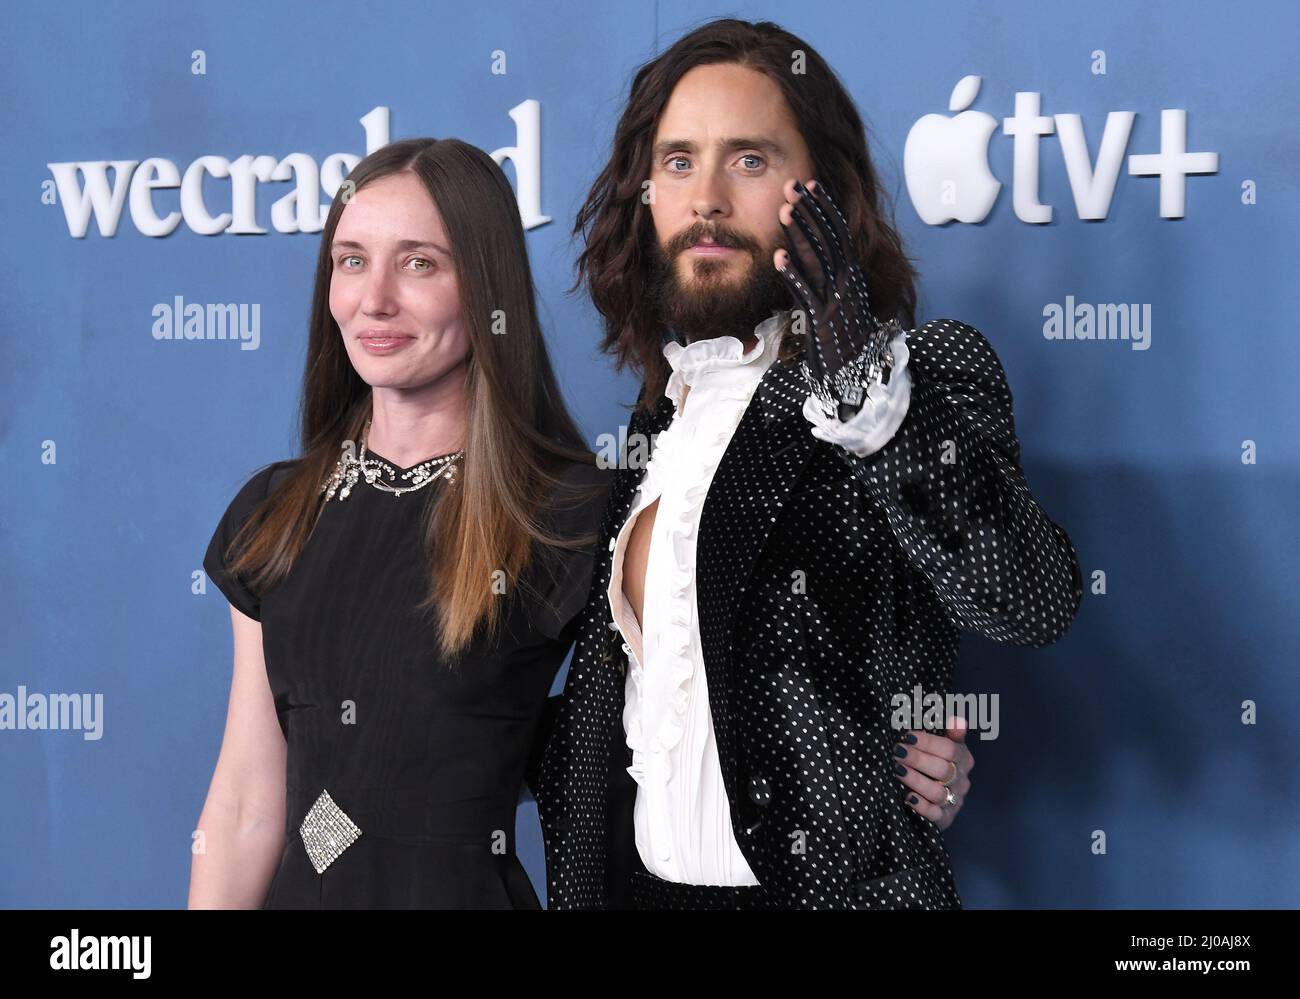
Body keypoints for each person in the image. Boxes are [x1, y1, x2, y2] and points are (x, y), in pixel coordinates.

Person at [532, 18, 1080, 910]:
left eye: (748, 160)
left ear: (819, 190)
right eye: (677, 162)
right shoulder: (653, 424)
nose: (706, 195)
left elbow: (1030, 600)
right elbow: (639, 718)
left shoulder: (919, 377)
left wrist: (868, 396)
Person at [189, 137, 609, 908]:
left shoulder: (570, 514)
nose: (373, 299)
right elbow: (248, 800)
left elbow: (668, 753)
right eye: (351, 261)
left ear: (486, 289)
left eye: (419, 263)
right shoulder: (272, 515)